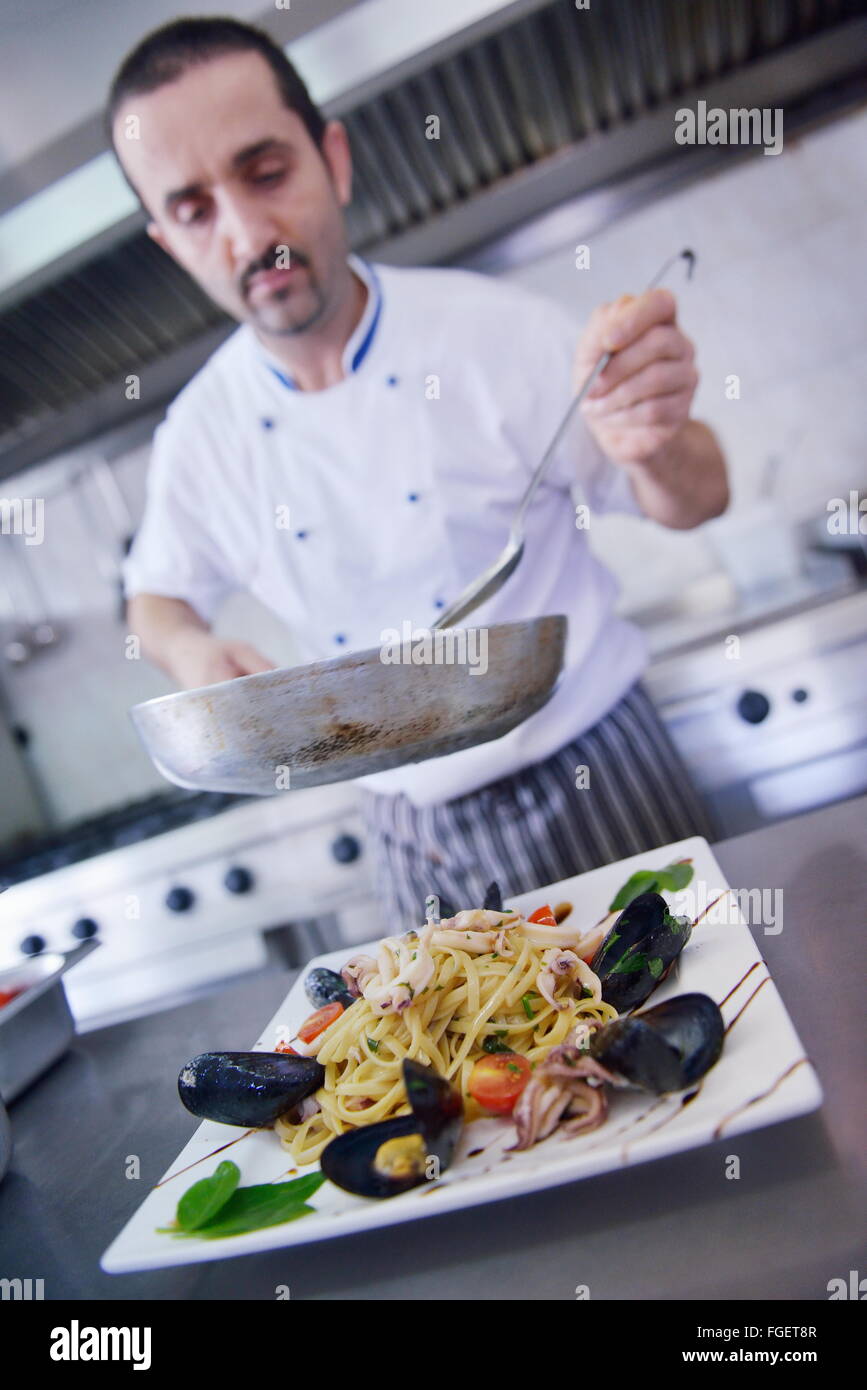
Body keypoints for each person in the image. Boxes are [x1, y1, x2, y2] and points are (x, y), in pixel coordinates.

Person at [109, 17, 728, 924]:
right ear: (167, 238)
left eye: (266, 170)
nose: (249, 235)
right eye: (195, 208)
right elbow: (153, 598)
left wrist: (656, 437)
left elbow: (697, 496)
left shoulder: (492, 334)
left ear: (334, 160)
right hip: (410, 827)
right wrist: (192, 649)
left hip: (602, 776)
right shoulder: (200, 435)